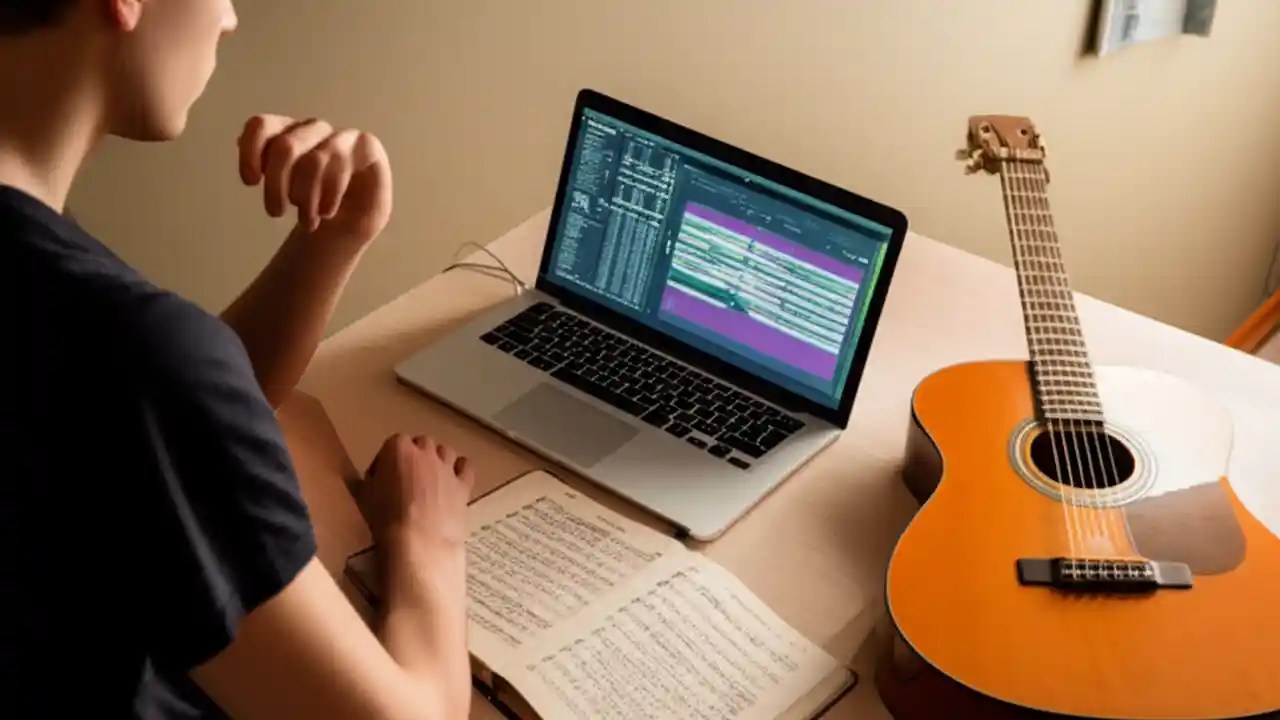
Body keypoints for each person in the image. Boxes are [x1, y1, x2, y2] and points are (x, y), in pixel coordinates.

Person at [0, 1, 474, 717]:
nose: (228, 18)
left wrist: (333, 238)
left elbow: (132, 431)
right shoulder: (130, 347)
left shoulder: (43, 273)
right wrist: (430, 547)